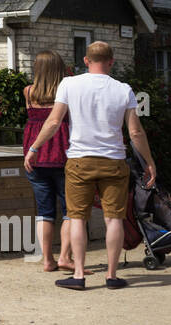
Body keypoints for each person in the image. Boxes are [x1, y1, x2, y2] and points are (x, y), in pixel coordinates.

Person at [24, 41, 156, 290]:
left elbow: (53, 122)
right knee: (114, 219)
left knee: (76, 217)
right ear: (111, 61)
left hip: (79, 161)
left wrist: (34, 148)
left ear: (86, 60)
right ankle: (112, 276)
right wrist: (149, 162)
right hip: (114, 161)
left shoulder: (69, 84)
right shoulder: (124, 90)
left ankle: (79, 275)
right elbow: (135, 132)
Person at [22, 50, 73, 272]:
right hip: (62, 155)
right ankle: (65, 256)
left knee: (44, 211)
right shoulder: (66, 93)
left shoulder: (28, 92)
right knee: (71, 210)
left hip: (35, 156)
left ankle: (47, 260)